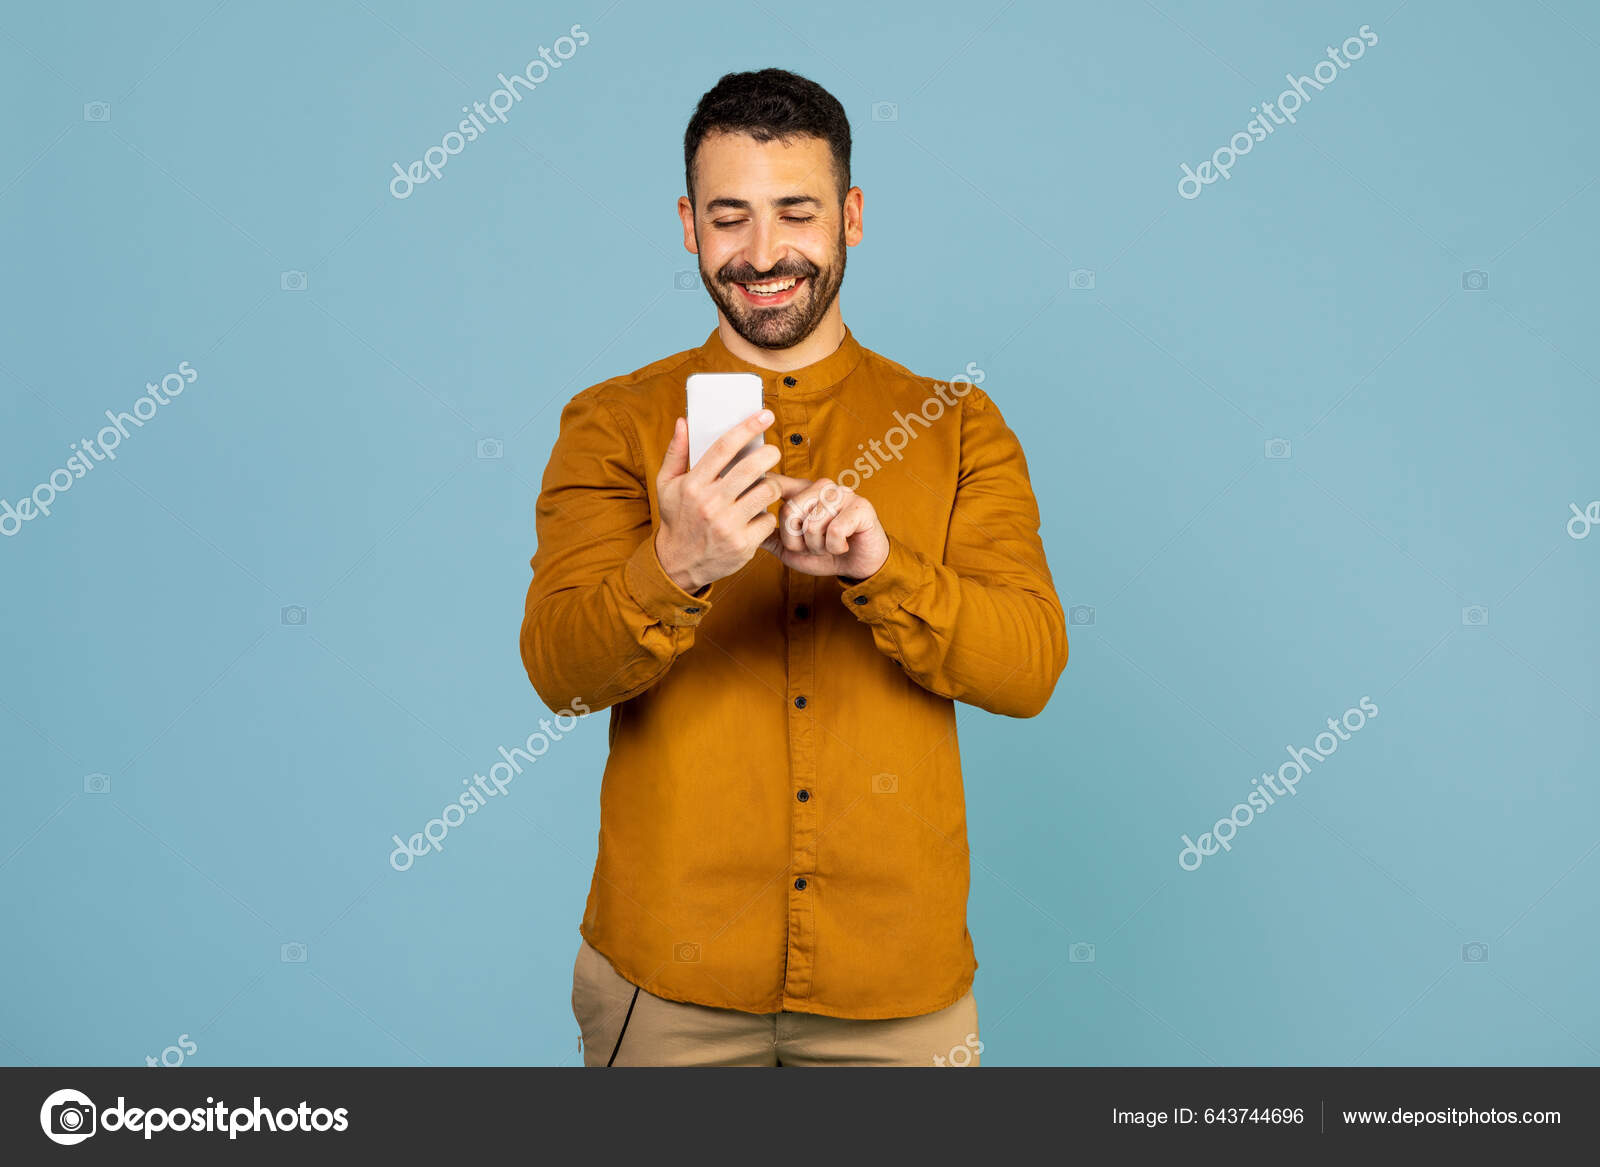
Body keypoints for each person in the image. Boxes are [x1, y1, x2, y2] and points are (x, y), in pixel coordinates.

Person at [520, 67, 1068, 1066]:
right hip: (664, 985)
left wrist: (883, 569)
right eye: (729, 217)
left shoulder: (957, 426)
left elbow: (1026, 671)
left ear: (850, 217)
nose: (762, 254)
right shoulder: (612, 422)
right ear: (688, 225)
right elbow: (559, 674)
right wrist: (674, 564)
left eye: (795, 212)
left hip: (897, 990)